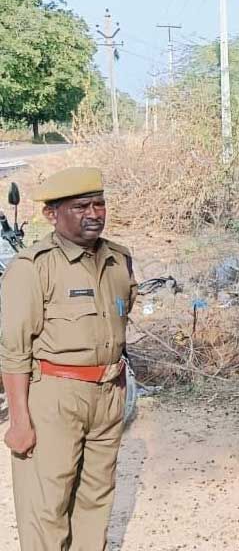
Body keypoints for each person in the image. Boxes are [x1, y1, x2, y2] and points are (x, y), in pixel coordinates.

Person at [0, 167, 136, 551]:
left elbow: (120, 322)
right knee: (47, 507)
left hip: (107, 395)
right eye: (80, 207)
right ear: (51, 214)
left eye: (99, 204)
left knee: (96, 499)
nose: (94, 213)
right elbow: (14, 350)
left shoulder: (118, 260)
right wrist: (20, 420)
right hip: (55, 397)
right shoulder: (33, 267)